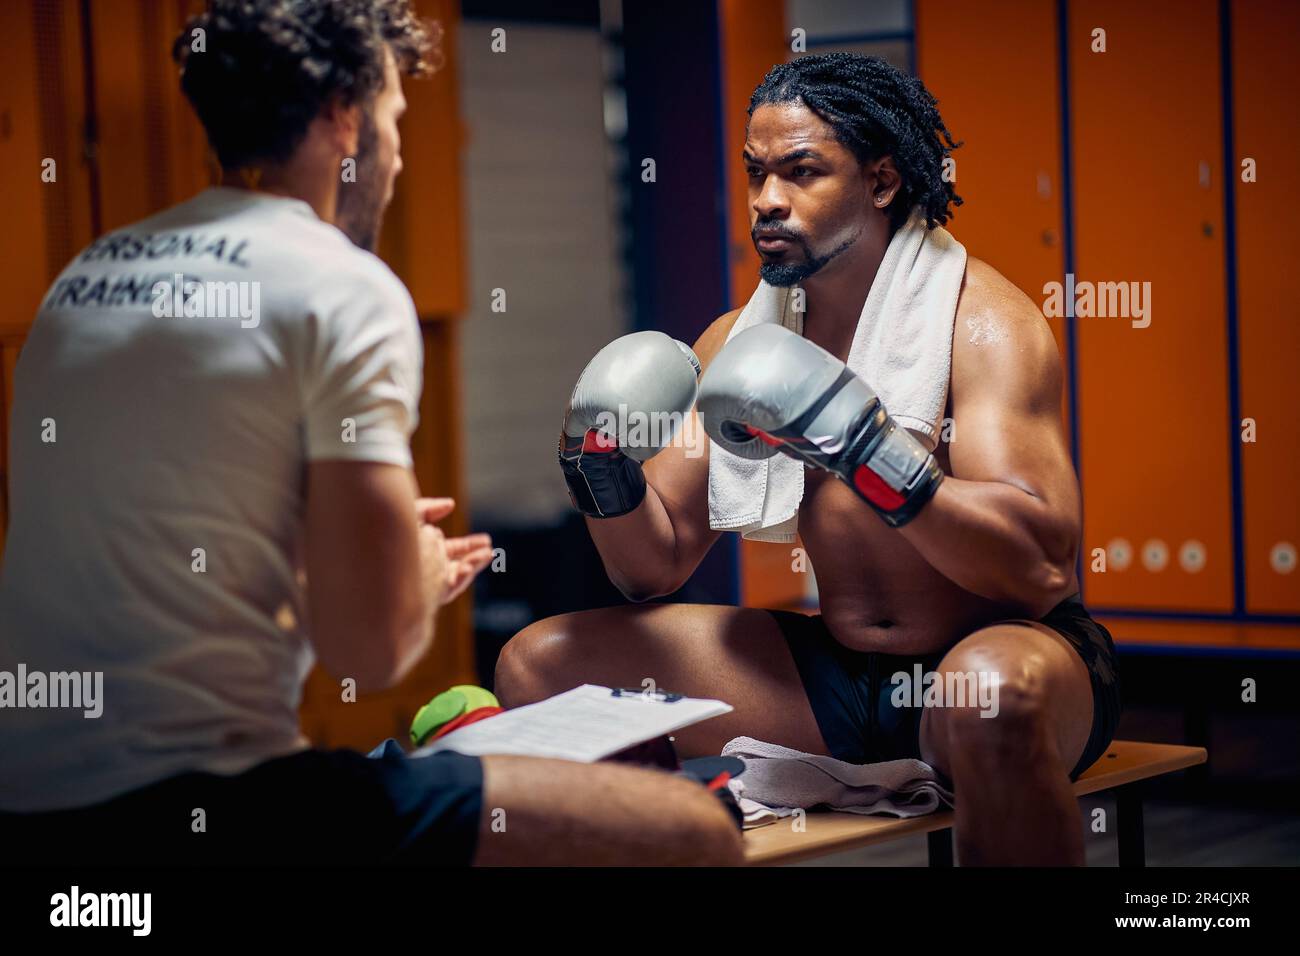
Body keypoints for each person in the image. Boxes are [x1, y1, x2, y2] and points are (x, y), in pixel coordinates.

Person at [0, 0, 742, 867]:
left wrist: (341, 557)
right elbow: (369, 651)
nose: (400, 152)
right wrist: (410, 577)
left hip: (26, 792)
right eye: (394, 118)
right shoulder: (340, 287)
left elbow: (161, 572)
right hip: (206, 799)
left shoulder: (86, 277)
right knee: (692, 830)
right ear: (344, 119)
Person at [500, 53, 1121, 866]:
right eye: (756, 174)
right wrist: (596, 463)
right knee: (540, 664)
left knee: (992, 703)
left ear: (882, 182)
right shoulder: (741, 342)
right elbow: (650, 568)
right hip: (842, 679)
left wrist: (865, 449)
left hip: (1006, 654)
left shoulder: (982, 327)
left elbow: (1038, 568)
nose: (766, 201)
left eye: (801, 173)